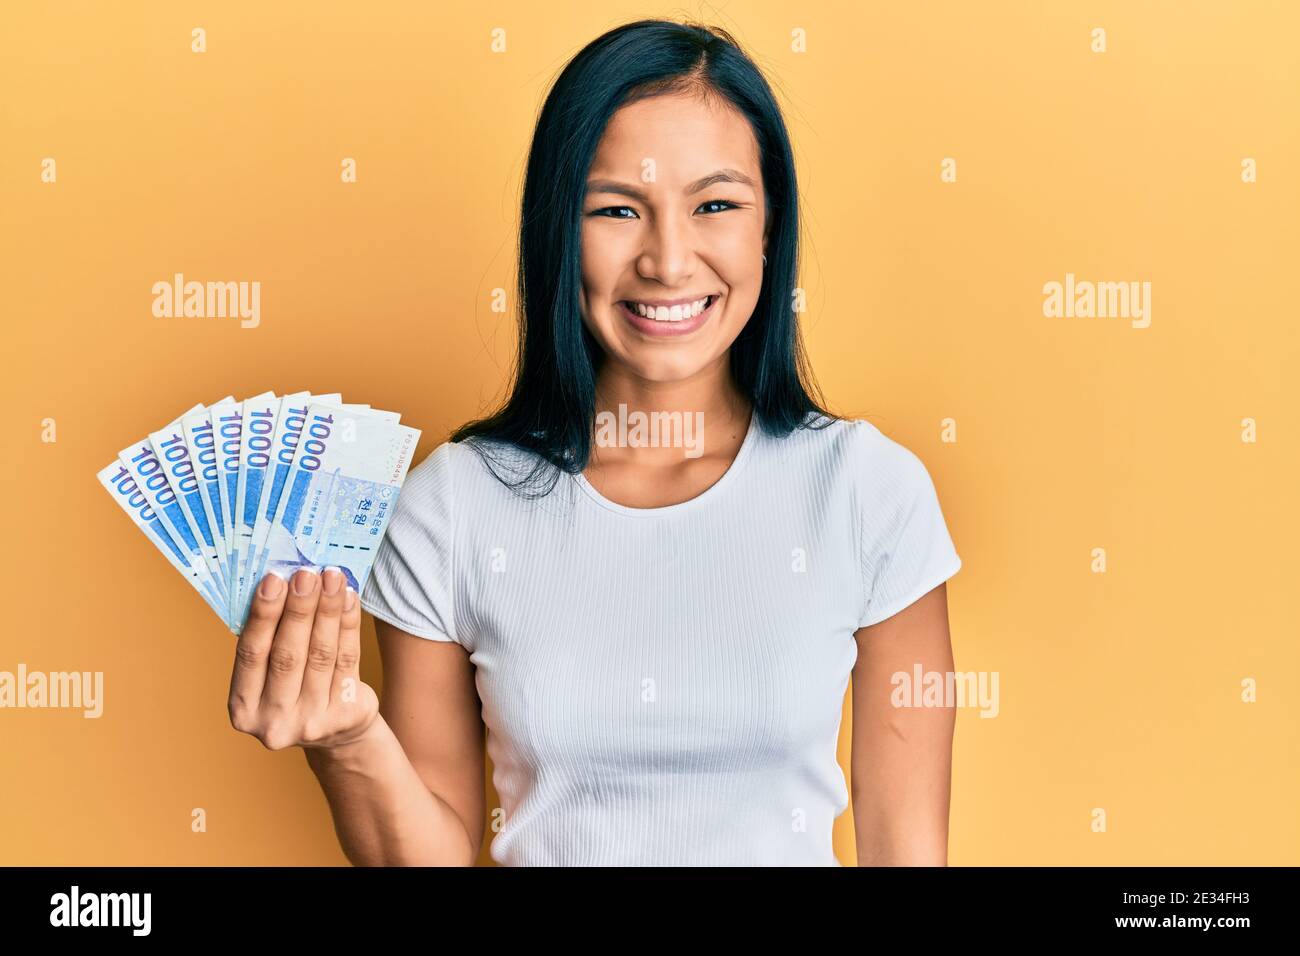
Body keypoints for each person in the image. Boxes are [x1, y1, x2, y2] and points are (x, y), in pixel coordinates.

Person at [226, 18, 962, 867]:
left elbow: (909, 853)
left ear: (771, 227)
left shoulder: (869, 491)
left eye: (716, 205)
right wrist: (349, 739)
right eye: (616, 209)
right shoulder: (452, 507)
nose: (669, 261)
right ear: (555, 233)